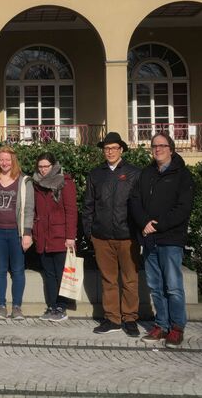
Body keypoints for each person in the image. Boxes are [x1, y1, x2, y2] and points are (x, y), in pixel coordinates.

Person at [130, 132, 194, 348]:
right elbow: (135, 201)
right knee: (155, 286)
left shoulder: (182, 175)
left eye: (162, 145)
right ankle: (161, 325)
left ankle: (177, 328)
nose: (158, 149)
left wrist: (157, 225)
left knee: (174, 286)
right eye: (154, 146)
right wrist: (144, 223)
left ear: (171, 149)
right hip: (149, 239)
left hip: (170, 238)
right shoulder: (146, 173)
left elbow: (183, 208)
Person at [83, 132, 142, 336]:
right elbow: (88, 205)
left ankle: (130, 318)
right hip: (102, 236)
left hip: (127, 236)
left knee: (130, 279)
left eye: (114, 148)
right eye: (106, 148)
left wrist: (138, 231)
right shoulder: (96, 174)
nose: (110, 152)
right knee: (108, 280)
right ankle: (112, 318)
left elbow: (140, 205)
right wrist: (90, 232)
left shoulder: (134, 173)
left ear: (121, 150)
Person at [0, 146, 33, 321]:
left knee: (18, 270)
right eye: (1, 159)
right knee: (0, 270)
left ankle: (17, 307)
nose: (4, 163)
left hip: (16, 232)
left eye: (7, 160)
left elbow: (28, 209)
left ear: (13, 161)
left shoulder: (23, 181)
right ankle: (1, 306)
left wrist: (27, 233)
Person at [30, 152, 77, 322]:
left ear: (53, 166)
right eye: (40, 167)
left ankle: (61, 307)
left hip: (60, 236)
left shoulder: (64, 182)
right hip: (43, 235)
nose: (43, 170)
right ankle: (51, 306)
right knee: (49, 273)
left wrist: (70, 236)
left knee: (62, 273)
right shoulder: (35, 184)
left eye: (46, 166)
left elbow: (71, 211)